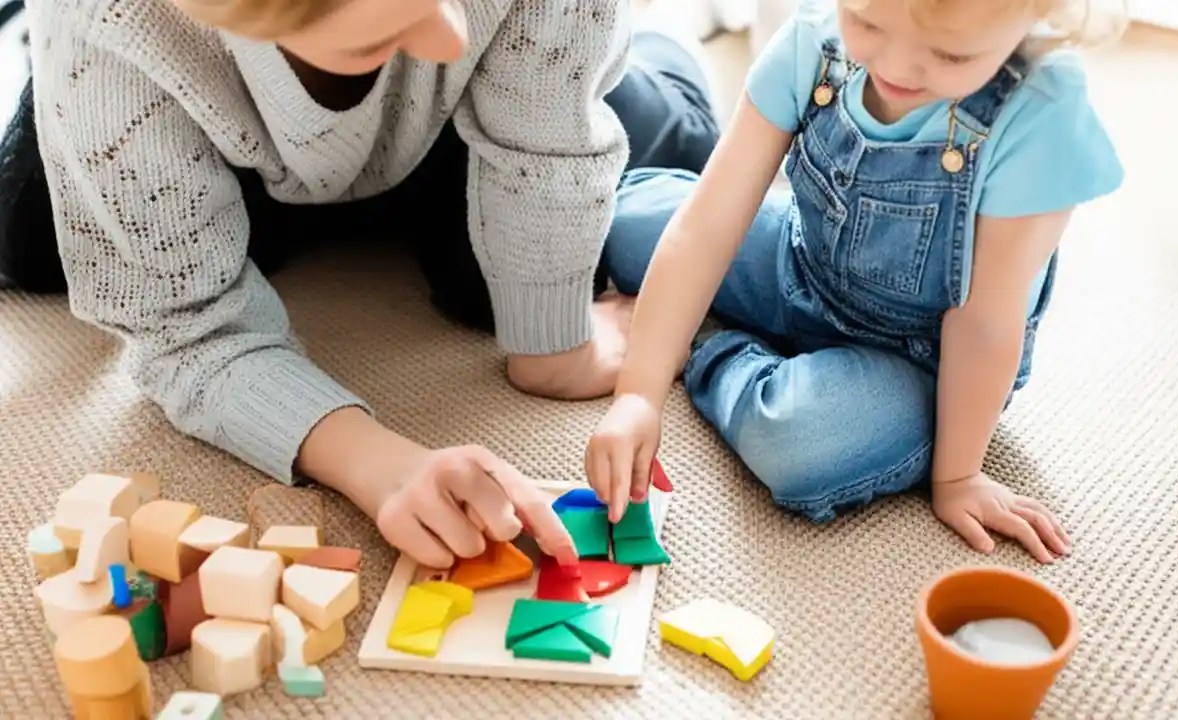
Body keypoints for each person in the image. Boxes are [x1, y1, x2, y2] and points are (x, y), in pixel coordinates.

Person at [18, 0, 720, 569]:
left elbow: (545, 144)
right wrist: (376, 464)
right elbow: (186, 328)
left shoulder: (446, 39)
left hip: (476, 95)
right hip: (216, 125)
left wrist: (555, 345)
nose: (448, 36)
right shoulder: (101, 30)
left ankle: (660, 47)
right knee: (31, 239)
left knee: (671, 158)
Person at [585, 0, 1126, 563]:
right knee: (622, 222)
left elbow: (985, 324)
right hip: (803, 267)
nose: (897, 68)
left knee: (801, 444)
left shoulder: (1042, 113)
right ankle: (712, 335)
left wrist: (958, 477)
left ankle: (708, 351)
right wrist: (638, 396)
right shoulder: (812, 42)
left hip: (925, 362)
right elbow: (705, 226)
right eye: (867, 23)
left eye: (949, 54)